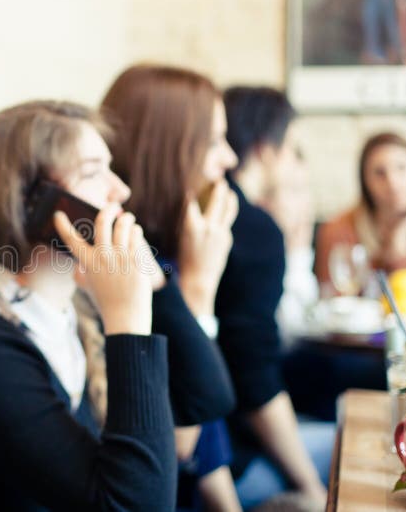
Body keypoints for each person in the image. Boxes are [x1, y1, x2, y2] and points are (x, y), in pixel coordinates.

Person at [0, 100, 234, 511]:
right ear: (35, 202)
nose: (120, 190)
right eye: (92, 172)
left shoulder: (74, 303)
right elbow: (136, 504)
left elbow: (209, 398)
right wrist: (127, 319)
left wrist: (153, 283)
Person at [101, 65, 329, 510]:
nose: (229, 158)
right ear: (165, 149)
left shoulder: (178, 234)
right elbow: (181, 439)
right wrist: (199, 289)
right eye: (212, 142)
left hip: (211, 468)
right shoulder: (126, 254)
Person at [223, 86, 318, 339]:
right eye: (291, 148)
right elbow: (260, 352)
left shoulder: (219, 207)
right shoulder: (256, 227)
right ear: (265, 150)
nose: (295, 162)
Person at [315, 132, 406, 292]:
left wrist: (400, 247)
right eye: (379, 173)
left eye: (402, 168)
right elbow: (331, 297)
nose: (393, 182)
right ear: (365, 183)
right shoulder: (338, 231)